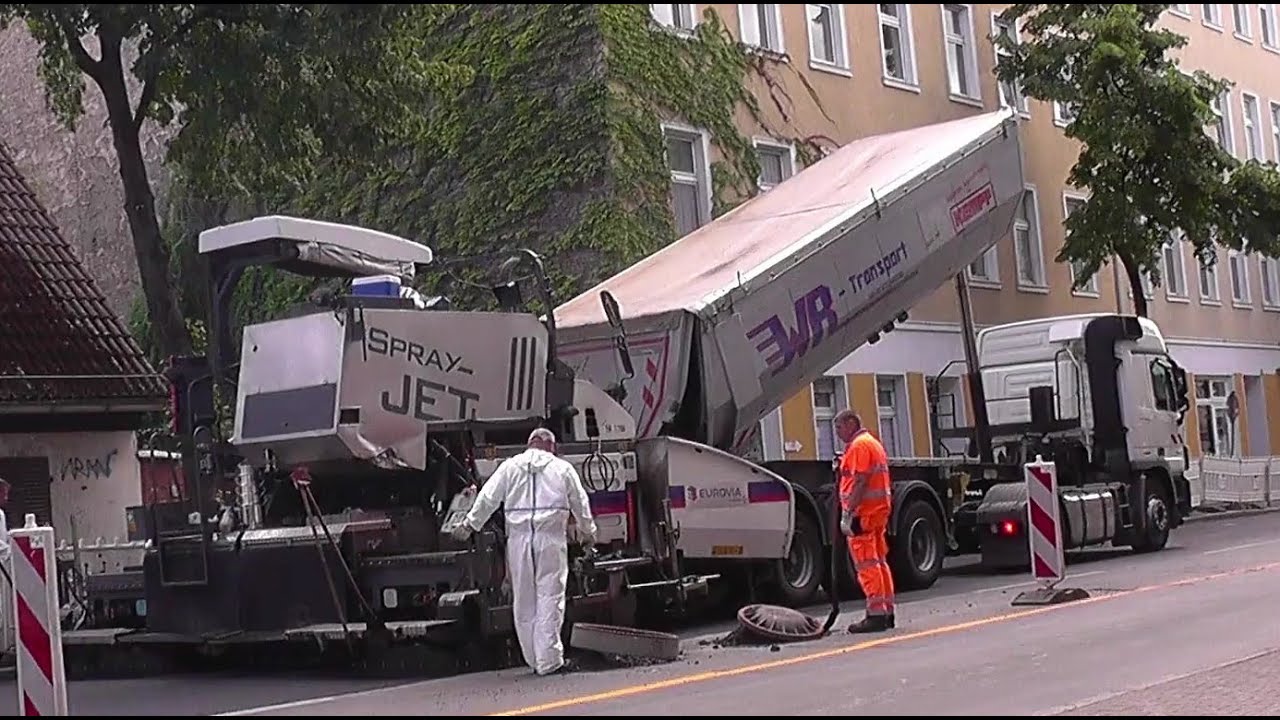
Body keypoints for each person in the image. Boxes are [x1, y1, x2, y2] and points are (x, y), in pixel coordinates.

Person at [451, 427, 597, 675]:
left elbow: (488, 498)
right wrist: (588, 534)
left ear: (530, 443)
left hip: (518, 541)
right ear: (551, 446)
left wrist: (469, 525)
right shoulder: (562, 469)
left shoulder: (510, 467)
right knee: (550, 597)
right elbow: (580, 503)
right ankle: (548, 660)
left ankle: (533, 658)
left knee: (524, 601)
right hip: (550, 539)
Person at [834, 410, 896, 633]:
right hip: (876, 512)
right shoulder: (871, 443)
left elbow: (860, 480)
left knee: (866, 564)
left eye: (839, 427)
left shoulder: (860, 446)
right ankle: (886, 611)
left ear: (851, 423)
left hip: (864, 514)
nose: (838, 433)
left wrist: (848, 512)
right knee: (879, 561)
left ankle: (876, 614)